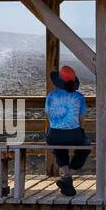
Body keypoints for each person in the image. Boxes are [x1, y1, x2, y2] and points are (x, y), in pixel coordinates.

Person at [45, 64, 88, 196]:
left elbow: (48, 114)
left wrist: (56, 126)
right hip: (73, 134)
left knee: (57, 147)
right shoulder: (79, 97)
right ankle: (69, 175)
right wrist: (80, 130)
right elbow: (82, 119)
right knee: (85, 147)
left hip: (54, 134)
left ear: (59, 81)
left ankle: (66, 176)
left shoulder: (51, 96)